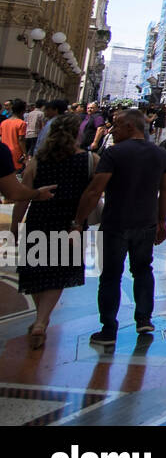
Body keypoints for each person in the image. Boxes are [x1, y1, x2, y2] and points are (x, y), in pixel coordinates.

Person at [74, 109, 166, 351]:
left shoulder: (114, 153)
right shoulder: (160, 154)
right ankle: (144, 319)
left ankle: (108, 329)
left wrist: (78, 220)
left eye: (117, 126)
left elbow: (95, 190)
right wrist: (161, 220)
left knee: (110, 277)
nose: (112, 130)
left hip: (115, 223)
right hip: (146, 223)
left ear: (131, 127)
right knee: (143, 270)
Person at [9, 114, 90, 349]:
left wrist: (15, 225)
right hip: (71, 222)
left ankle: (39, 319)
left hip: (40, 218)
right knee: (59, 272)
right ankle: (42, 320)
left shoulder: (37, 160)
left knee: (36, 271)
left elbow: (23, 196)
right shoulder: (87, 160)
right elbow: (93, 194)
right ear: (77, 134)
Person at [0, 98, 29, 170]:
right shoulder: (21, 123)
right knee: (13, 172)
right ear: (23, 111)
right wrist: (25, 153)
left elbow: (1, 137)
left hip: (4, 150)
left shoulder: (4, 122)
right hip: (15, 152)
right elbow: (21, 139)